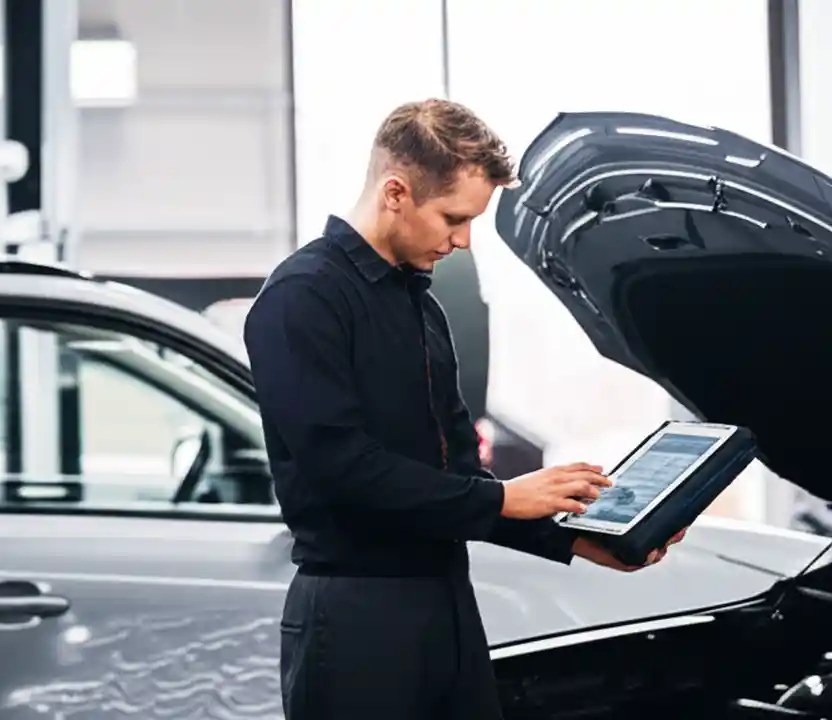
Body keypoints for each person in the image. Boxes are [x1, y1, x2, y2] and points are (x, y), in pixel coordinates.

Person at [244, 98, 687, 719]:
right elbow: (340, 468)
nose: (462, 240)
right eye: (453, 217)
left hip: (445, 607)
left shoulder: (422, 308)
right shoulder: (301, 298)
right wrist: (506, 499)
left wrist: (582, 540)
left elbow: (457, 481)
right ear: (396, 192)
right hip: (355, 621)